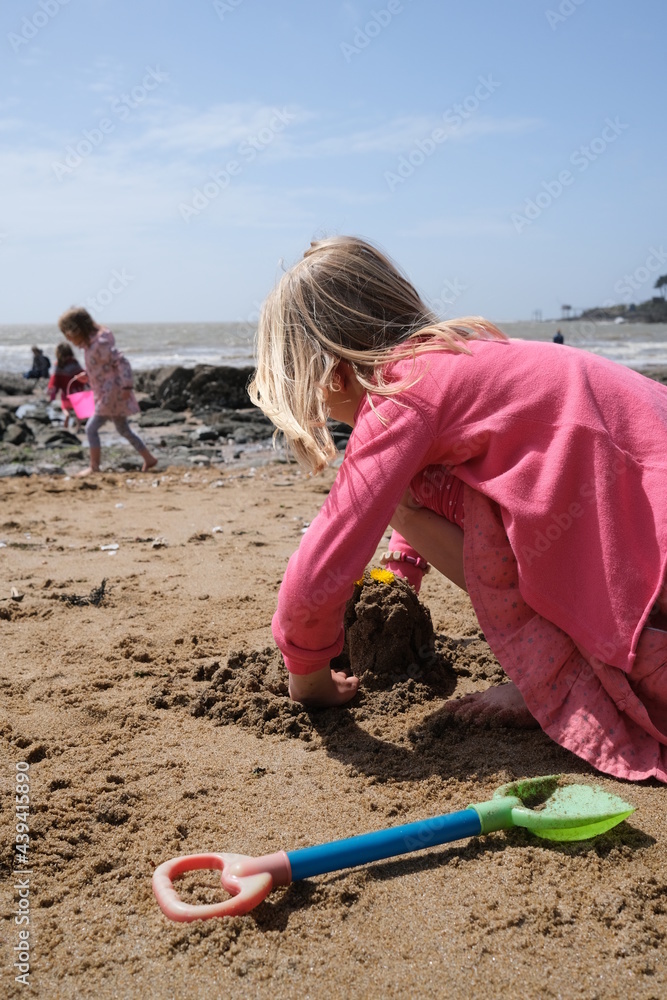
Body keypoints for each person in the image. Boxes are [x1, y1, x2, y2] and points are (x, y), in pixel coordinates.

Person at [249, 235, 667, 784]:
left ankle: (559, 679)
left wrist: (307, 674)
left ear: (331, 371)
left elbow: (325, 557)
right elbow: (424, 486)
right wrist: (399, 577)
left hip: (646, 546)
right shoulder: (457, 358)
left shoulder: (400, 394)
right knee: (431, 492)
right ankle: (555, 674)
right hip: (644, 490)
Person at [57, 307, 157, 475]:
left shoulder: (99, 344)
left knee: (91, 428)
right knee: (123, 429)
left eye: (67, 334)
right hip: (108, 392)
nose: (67, 339)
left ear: (77, 329)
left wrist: (127, 385)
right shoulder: (89, 346)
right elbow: (102, 368)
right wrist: (87, 375)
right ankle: (149, 459)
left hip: (112, 393)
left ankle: (94, 466)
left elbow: (121, 362)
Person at [47, 342, 85, 429]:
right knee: (78, 409)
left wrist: (53, 393)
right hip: (76, 391)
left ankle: (67, 415)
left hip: (65, 392)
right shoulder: (74, 362)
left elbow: (54, 380)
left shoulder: (58, 364)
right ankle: (78, 426)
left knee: (65, 407)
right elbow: (82, 374)